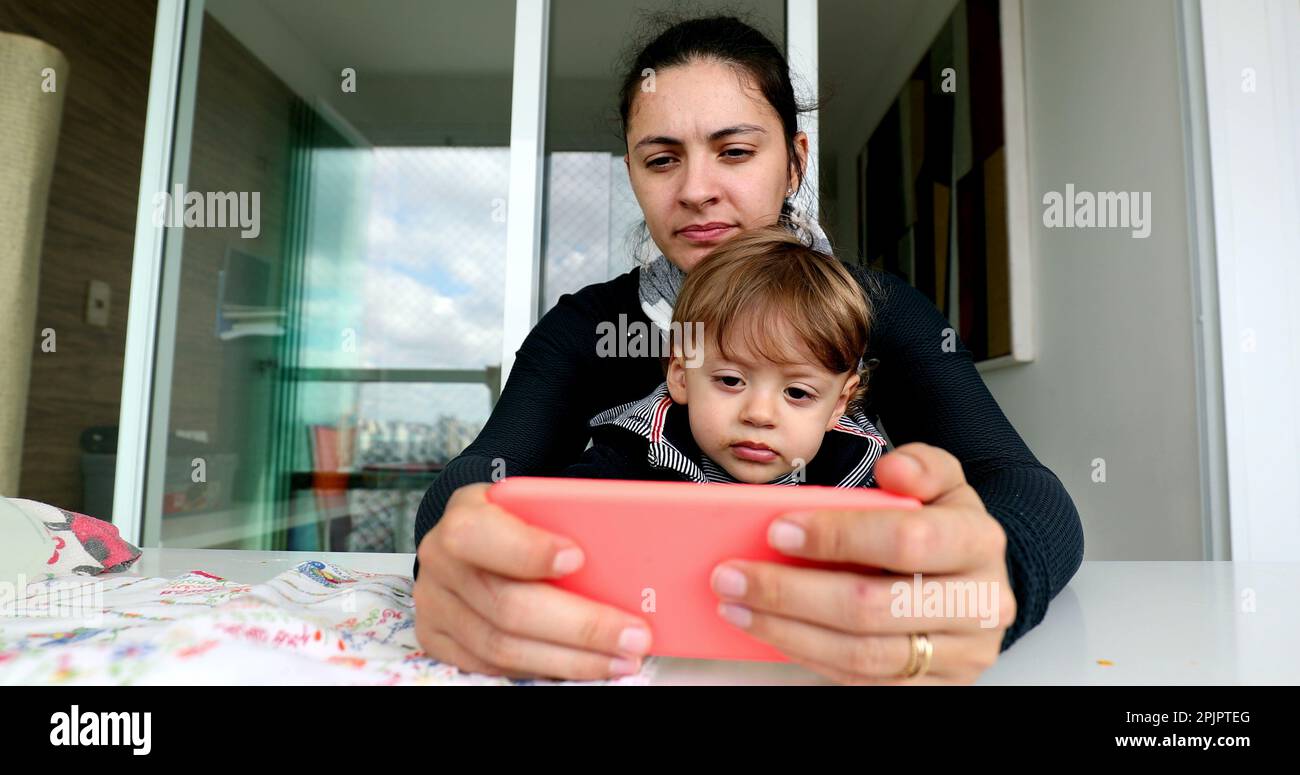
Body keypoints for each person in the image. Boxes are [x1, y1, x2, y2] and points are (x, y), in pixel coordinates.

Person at [412, 14, 1084, 684]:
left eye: (734, 151)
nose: (697, 188)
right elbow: (479, 476)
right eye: (661, 158)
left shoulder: (883, 313)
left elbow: (1025, 488)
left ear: (796, 161)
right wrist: (456, 556)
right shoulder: (584, 328)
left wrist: (996, 582)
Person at [564, 225, 887, 487]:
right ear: (681, 375)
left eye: (797, 393)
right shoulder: (634, 451)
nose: (759, 415)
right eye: (731, 381)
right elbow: (565, 517)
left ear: (838, 404)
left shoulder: (855, 461)